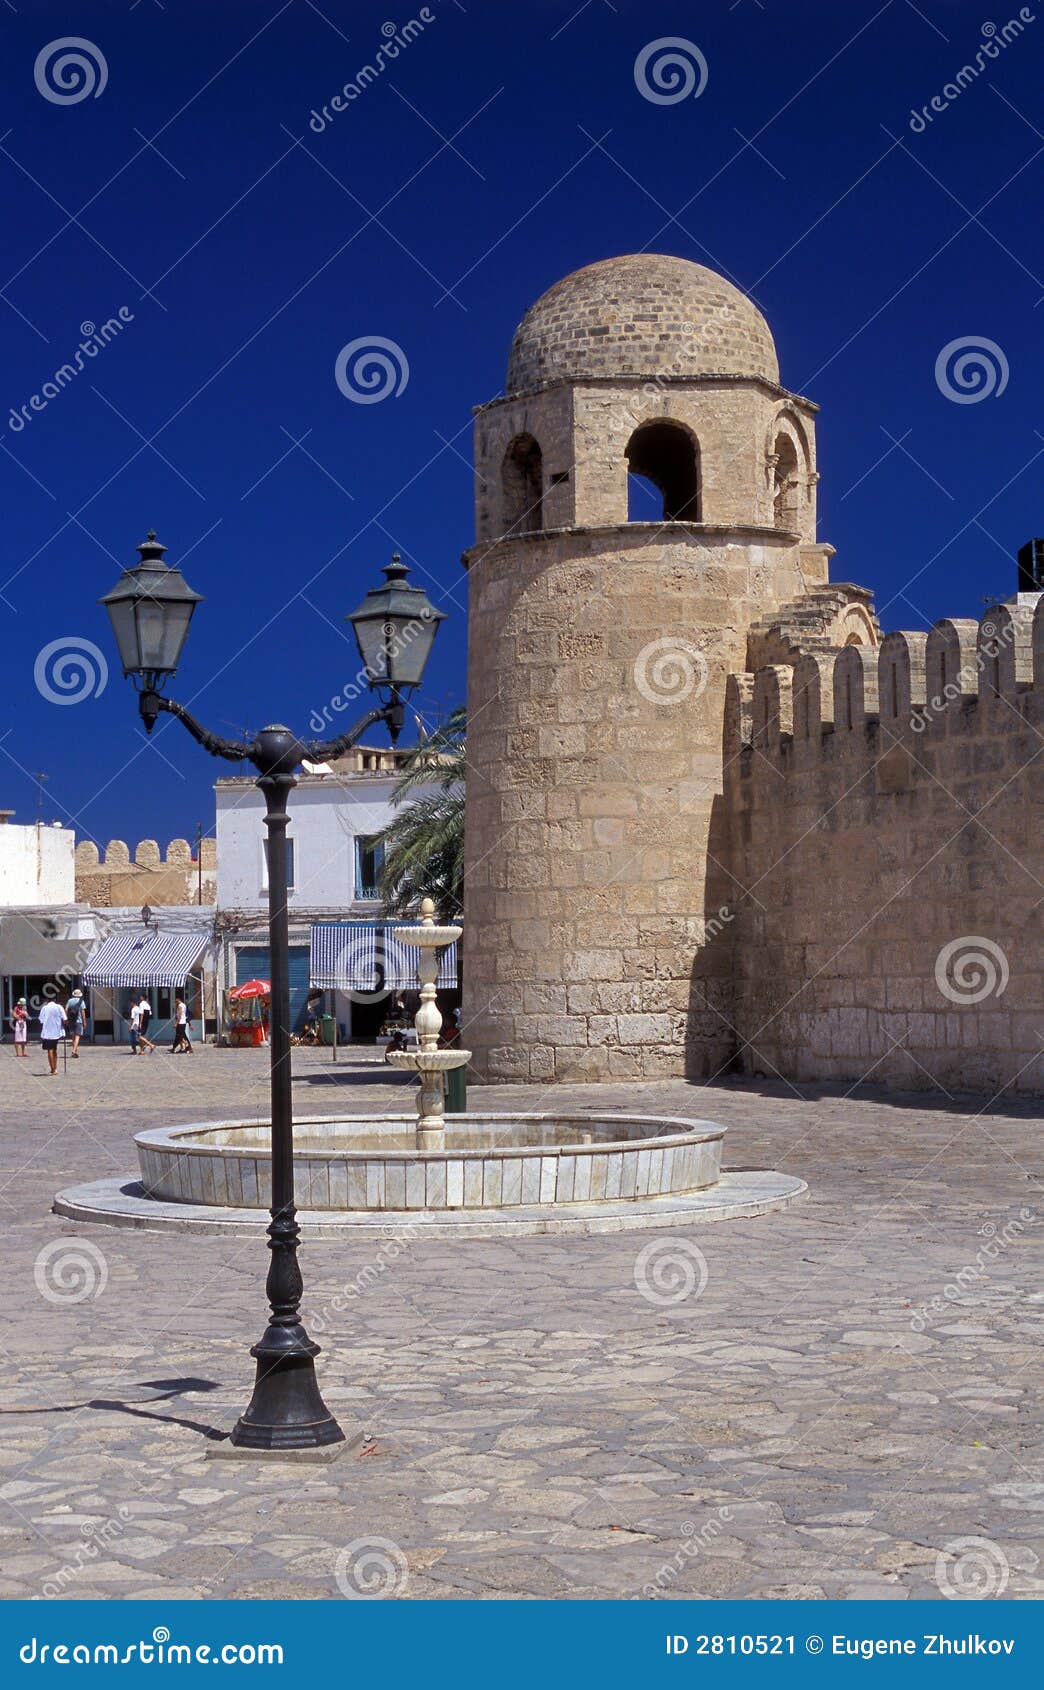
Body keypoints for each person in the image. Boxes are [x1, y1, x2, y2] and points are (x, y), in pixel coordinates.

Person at [39, 997, 66, 1075]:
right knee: (54, 1049)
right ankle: (55, 1068)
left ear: (47, 1000)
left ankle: (52, 1069)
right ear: (54, 1000)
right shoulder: (59, 1007)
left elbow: (41, 1020)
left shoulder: (44, 1008)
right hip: (56, 1032)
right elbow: (65, 1018)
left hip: (47, 1032)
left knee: (49, 1050)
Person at [65, 988, 86, 1057]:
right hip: (78, 1021)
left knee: (73, 1037)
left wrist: (66, 1019)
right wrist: (84, 1022)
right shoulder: (81, 1001)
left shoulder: (70, 1001)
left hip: (71, 1021)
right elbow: (83, 1012)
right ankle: (74, 1051)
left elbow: (66, 1009)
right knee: (77, 1036)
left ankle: (75, 1051)